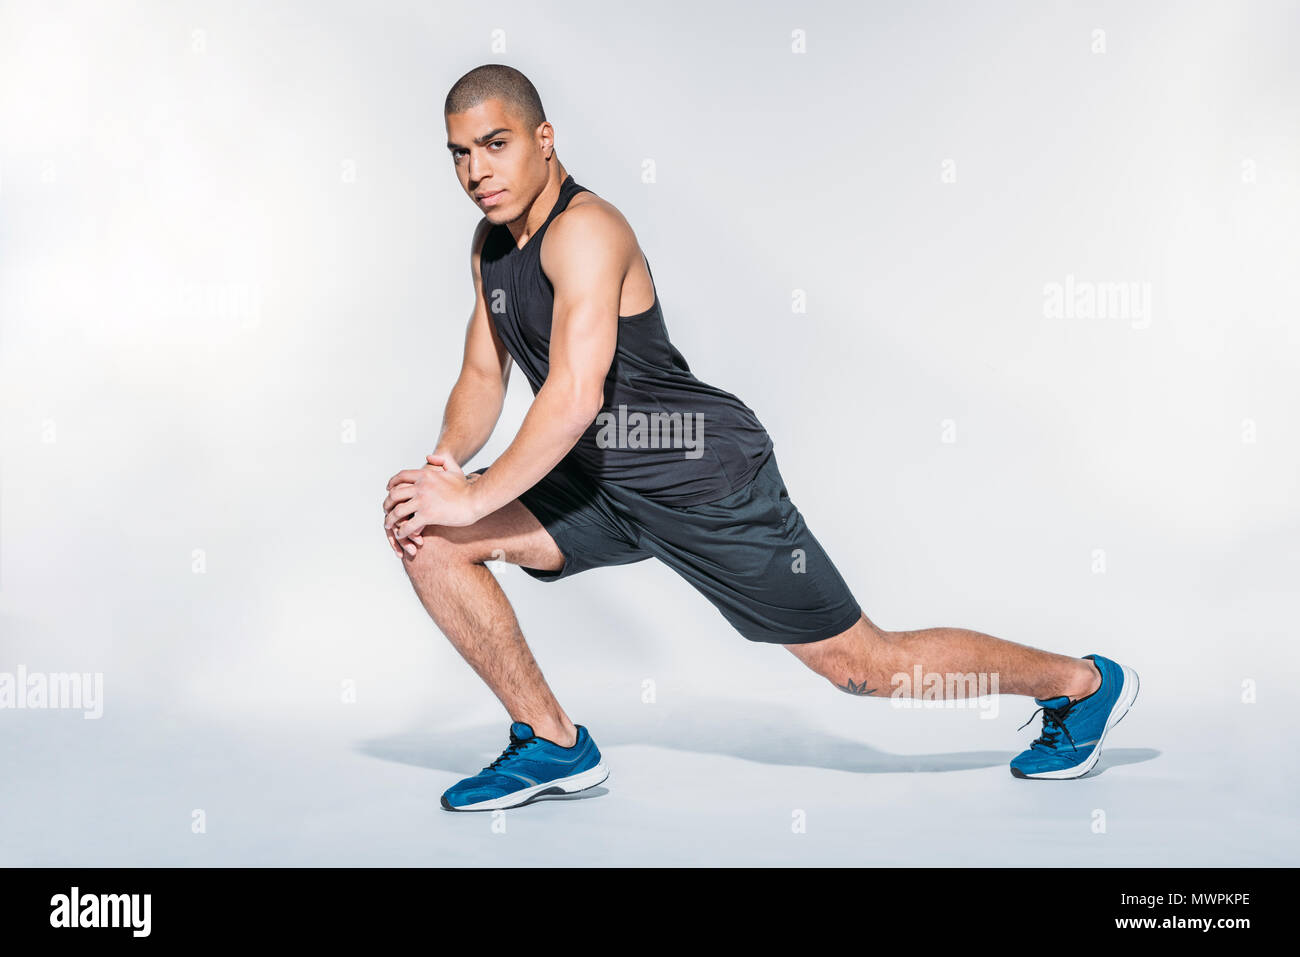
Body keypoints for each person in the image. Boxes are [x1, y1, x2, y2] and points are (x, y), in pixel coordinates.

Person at [381, 64, 1140, 812]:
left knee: (862, 666)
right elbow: (483, 376)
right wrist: (444, 468)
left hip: (701, 476)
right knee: (430, 538)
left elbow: (574, 395)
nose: (477, 172)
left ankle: (1081, 684)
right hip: (597, 484)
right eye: (460, 153)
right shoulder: (490, 246)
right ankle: (553, 743)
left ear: (544, 139)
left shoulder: (585, 231)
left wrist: (476, 495)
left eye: (496, 144)